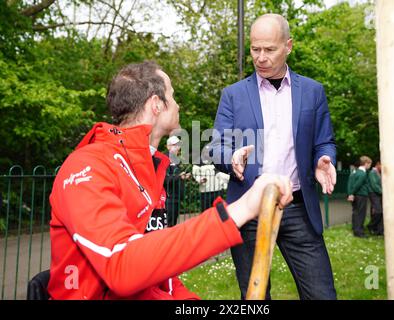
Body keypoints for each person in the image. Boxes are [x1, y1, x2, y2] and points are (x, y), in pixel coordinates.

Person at [47, 60, 293, 300]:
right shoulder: (87, 166)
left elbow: (162, 279)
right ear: (156, 104)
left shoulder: (149, 170)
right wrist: (243, 208)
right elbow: (121, 265)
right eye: (172, 96)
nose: (177, 105)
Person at [210, 14, 337, 300]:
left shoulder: (313, 92)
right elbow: (215, 148)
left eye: (269, 49)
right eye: (255, 49)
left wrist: (323, 159)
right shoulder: (233, 95)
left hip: (297, 207)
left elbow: (324, 142)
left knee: (322, 294)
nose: (261, 57)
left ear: (288, 46)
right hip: (248, 208)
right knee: (255, 297)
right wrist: (232, 157)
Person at [164, 135, 190, 226]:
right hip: (168, 198)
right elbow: (164, 179)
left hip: (176, 197)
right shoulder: (164, 159)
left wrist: (183, 176)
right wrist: (179, 176)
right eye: (175, 145)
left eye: (179, 145)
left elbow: (175, 176)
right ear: (168, 146)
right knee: (169, 225)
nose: (178, 148)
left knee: (173, 224)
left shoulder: (176, 159)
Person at [350, 156, 372, 238]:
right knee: (361, 214)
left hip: (357, 195)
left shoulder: (355, 172)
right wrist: (352, 193)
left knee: (356, 212)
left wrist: (351, 193)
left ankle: (356, 229)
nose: (370, 166)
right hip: (361, 195)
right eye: (370, 164)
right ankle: (359, 232)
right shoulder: (362, 173)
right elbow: (357, 185)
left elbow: (351, 183)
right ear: (366, 163)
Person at [367, 160, 383, 235]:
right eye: (382, 165)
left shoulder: (379, 173)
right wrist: (382, 192)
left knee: (381, 212)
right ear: (378, 164)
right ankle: (371, 226)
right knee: (378, 211)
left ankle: (379, 230)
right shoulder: (372, 172)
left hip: (379, 194)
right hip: (374, 194)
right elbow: (374, 185)